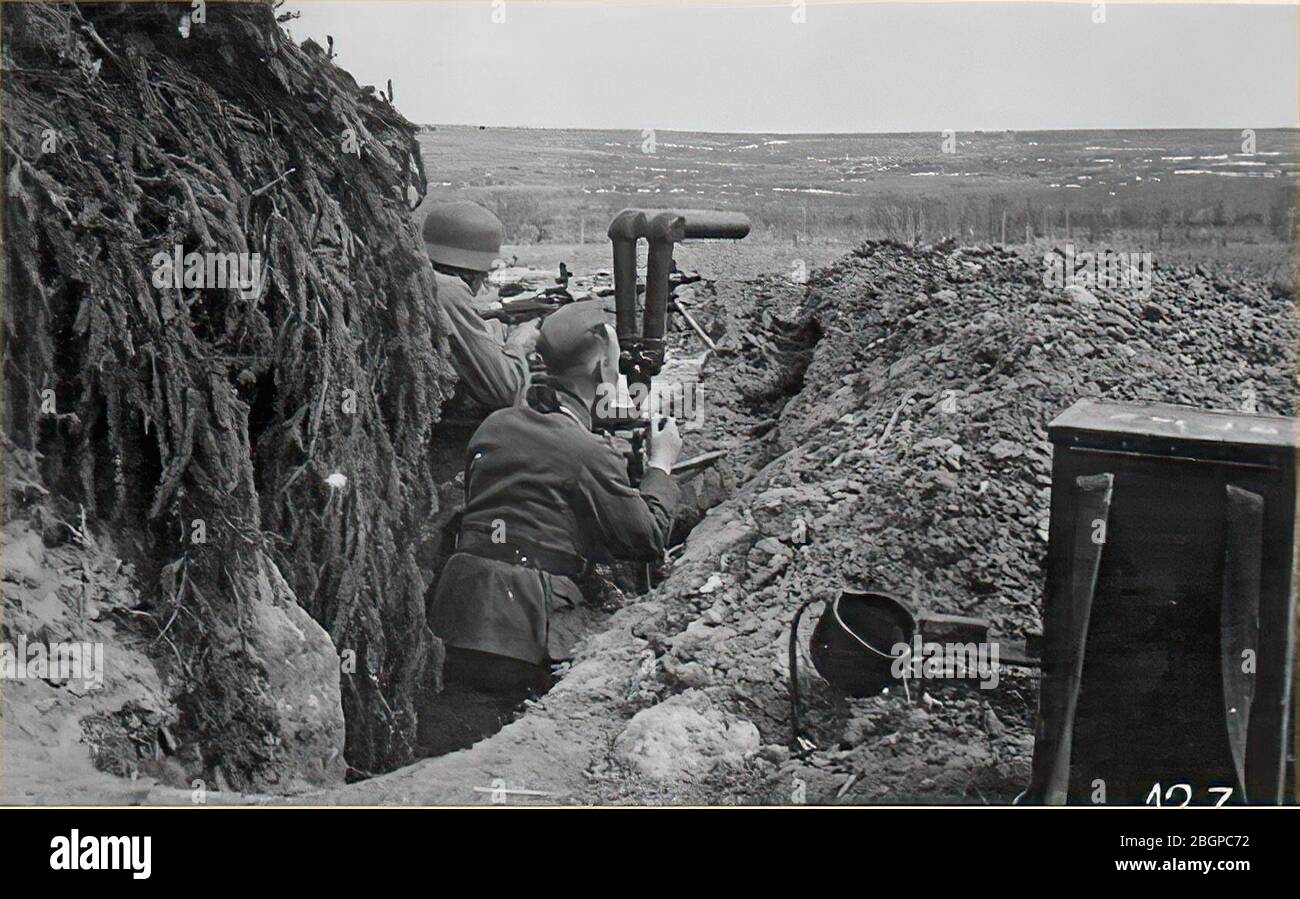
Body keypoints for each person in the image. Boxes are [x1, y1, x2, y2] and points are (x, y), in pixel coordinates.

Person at [418, 300, 683, 753]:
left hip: (456, 615)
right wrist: (661, 464)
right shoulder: (585, 451)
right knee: (506, 750)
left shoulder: (495, 425)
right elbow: (646, 538)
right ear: (603, 369)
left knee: (449, 745)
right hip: (519, 632)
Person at [422, 200, 539, 408]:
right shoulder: (447, 291)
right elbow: (507, 391)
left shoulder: (421, 277)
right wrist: (518, 342)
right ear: (474, 271)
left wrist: (492, 329)